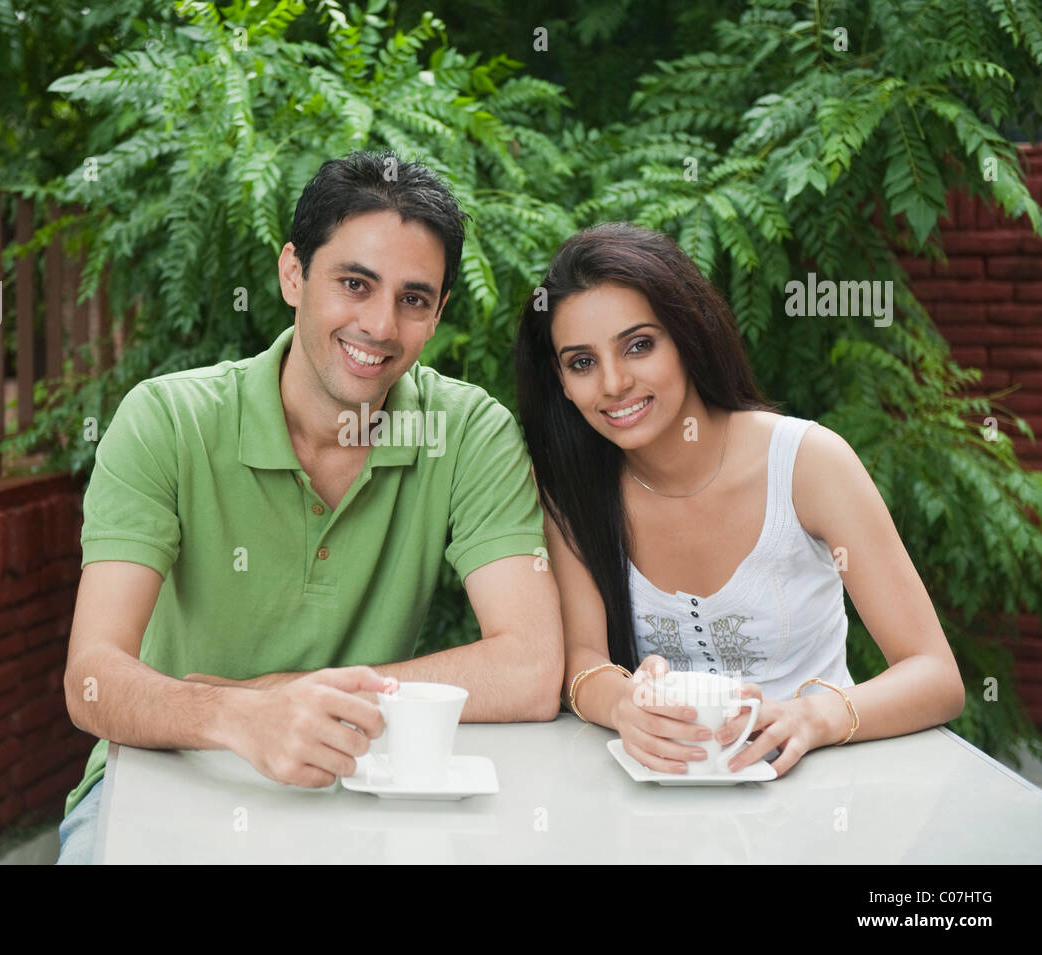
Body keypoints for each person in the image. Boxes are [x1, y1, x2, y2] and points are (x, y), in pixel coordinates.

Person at [56, 151, 563, 863]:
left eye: (414, 298)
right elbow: (92, 677)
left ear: (439, 311)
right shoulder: (168, 420)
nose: (381, 325)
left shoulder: (468, 431)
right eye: (355, 283)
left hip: (368, 779)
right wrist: (241, 715)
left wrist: (282, 694)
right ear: (293, 274)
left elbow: (532, 669)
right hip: (170, 773)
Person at [513, 222, 964, 778]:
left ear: (687, 337)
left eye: (639, 345)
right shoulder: (570, 485)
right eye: (582, 362)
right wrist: (623, 703)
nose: (613, 383)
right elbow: (582, 660)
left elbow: (936, 675)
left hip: (823, 788)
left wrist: (813, 718)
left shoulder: (808, 462)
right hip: (663, 797)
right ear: (560, 380)